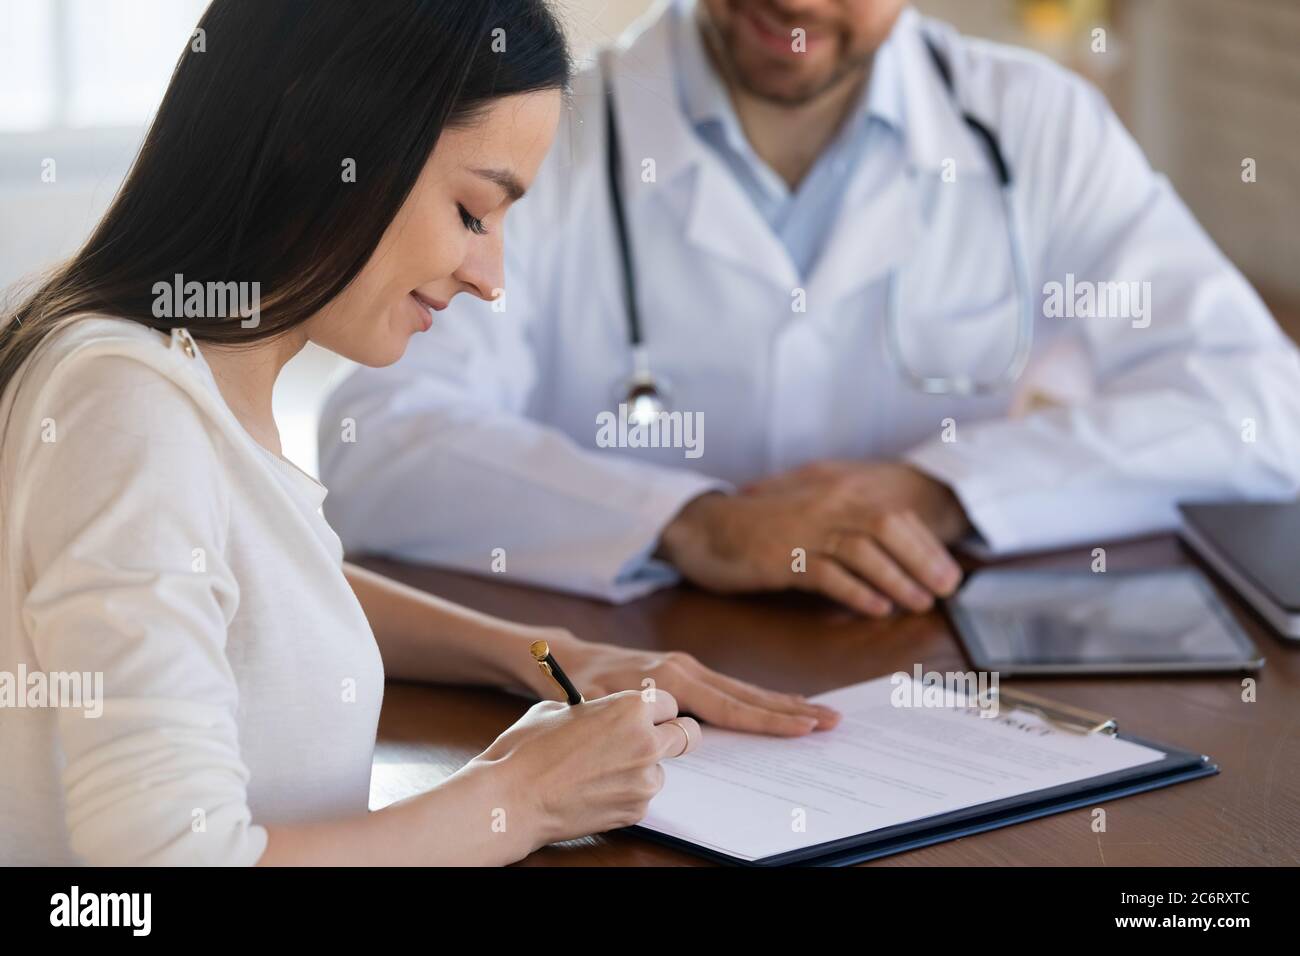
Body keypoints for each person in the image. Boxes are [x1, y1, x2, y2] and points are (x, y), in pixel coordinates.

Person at [0, 0, 838, 868]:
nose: (491, 276)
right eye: (474, 212)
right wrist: (519, 798)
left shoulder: (153, 370)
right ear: (325, 143)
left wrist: (554, 657)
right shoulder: (129, 406)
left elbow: (259, 590)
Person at [320, 0, 1300, 617]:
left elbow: (1263, 407)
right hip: (618, 672)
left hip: (920, 670)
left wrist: (943, 485)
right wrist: (688, 521)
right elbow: (379, 438)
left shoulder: (1034, 124)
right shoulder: (560, 129)